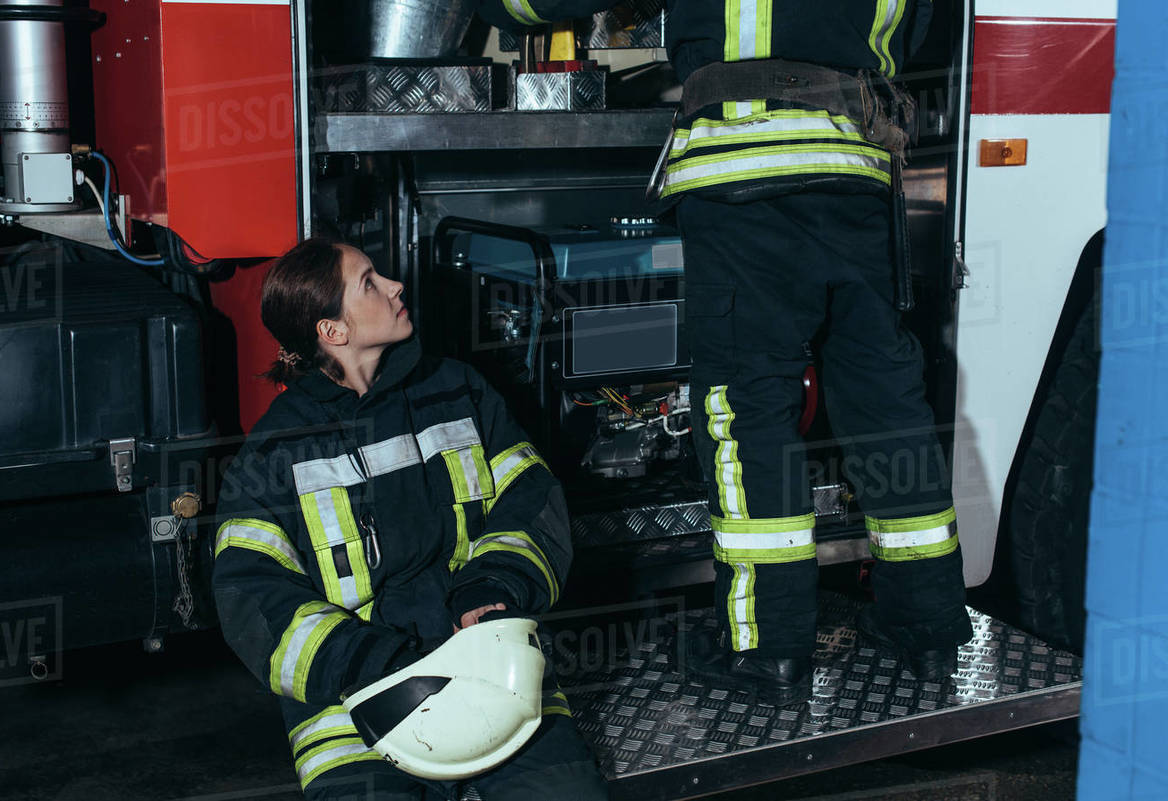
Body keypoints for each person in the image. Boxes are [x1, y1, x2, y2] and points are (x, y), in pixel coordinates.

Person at [477, 0, 972, 703]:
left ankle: (767, 650)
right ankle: (928, 631)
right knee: (886, 401)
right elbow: (925, 30)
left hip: (747, 168)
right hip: (860, 168)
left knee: (748, 411)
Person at [211, 239, 609, 800]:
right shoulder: (276, 450)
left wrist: (493, 587)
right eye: (370, 283)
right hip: (356, 710)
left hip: (491, 670)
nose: (396, 286)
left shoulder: (457, 390)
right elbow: (250, 596)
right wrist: (374, 663)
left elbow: (530, 495)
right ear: (333, 332)